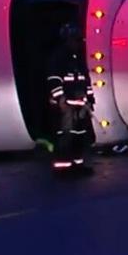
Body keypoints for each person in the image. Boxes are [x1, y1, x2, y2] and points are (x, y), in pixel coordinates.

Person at [45, 22, 95, 175]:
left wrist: (90, 99)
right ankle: (63, 167)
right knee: (66, 134)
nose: (78, 43)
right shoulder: (59, 57)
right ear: (67, 39)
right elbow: (54, 79)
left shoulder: (78, 58)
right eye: (75, 39)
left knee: (79, 134)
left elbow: (85, 80)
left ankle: (77, 164)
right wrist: (61, 98)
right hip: (66, 104)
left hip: (79, 104)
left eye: (79, 40)